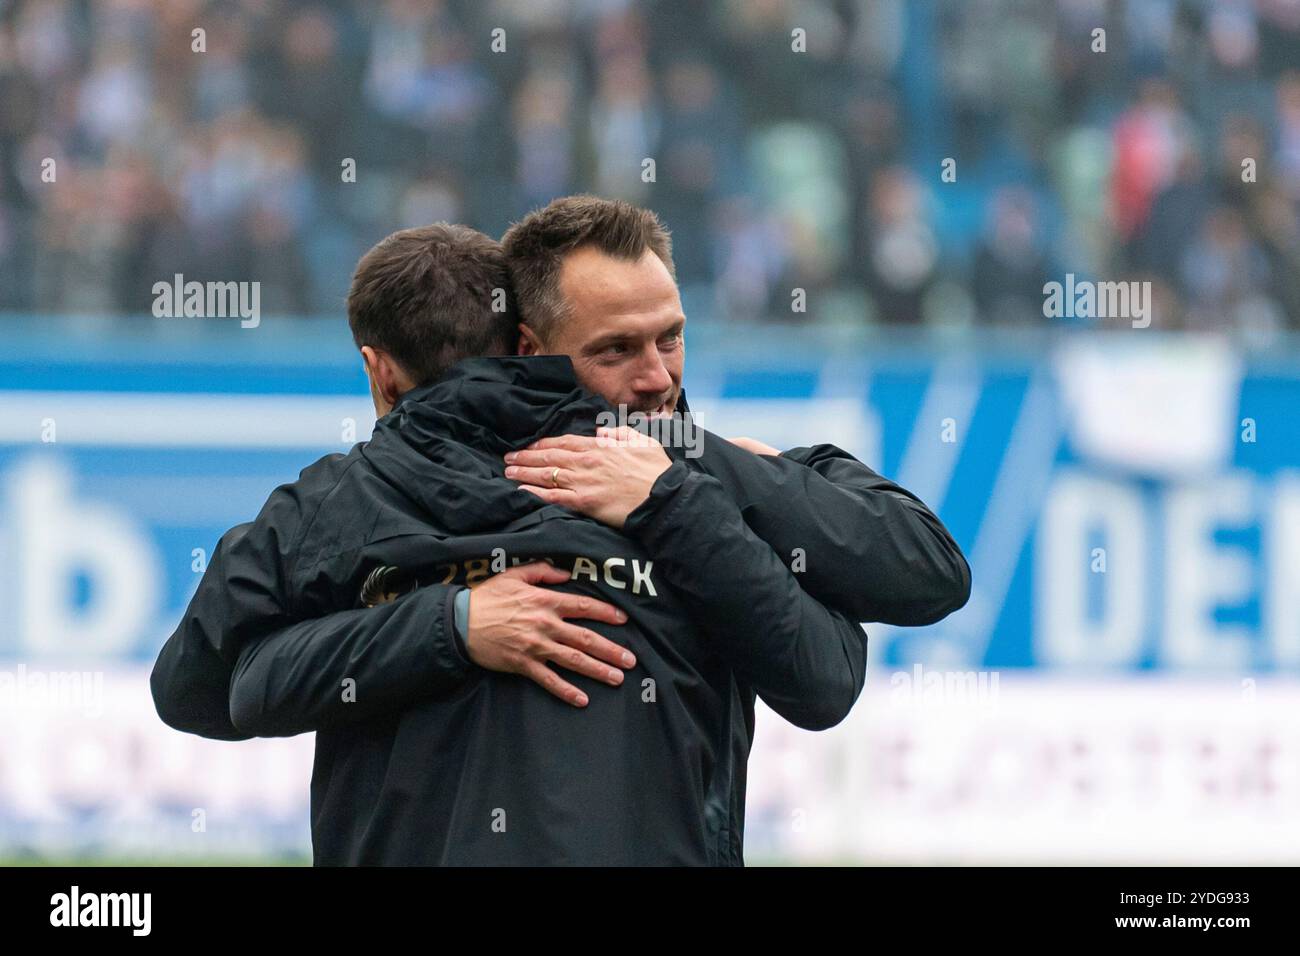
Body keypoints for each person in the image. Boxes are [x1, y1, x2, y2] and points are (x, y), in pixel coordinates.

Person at [152, 207, 968, 864]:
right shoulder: (358, 497)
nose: (657, 375)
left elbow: (918, 584)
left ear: (379, 369)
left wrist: (689, 477)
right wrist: (452, 626)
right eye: (616, 348)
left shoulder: (713, 483)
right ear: (527, 350)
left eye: (671, 337)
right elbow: (212, 685)